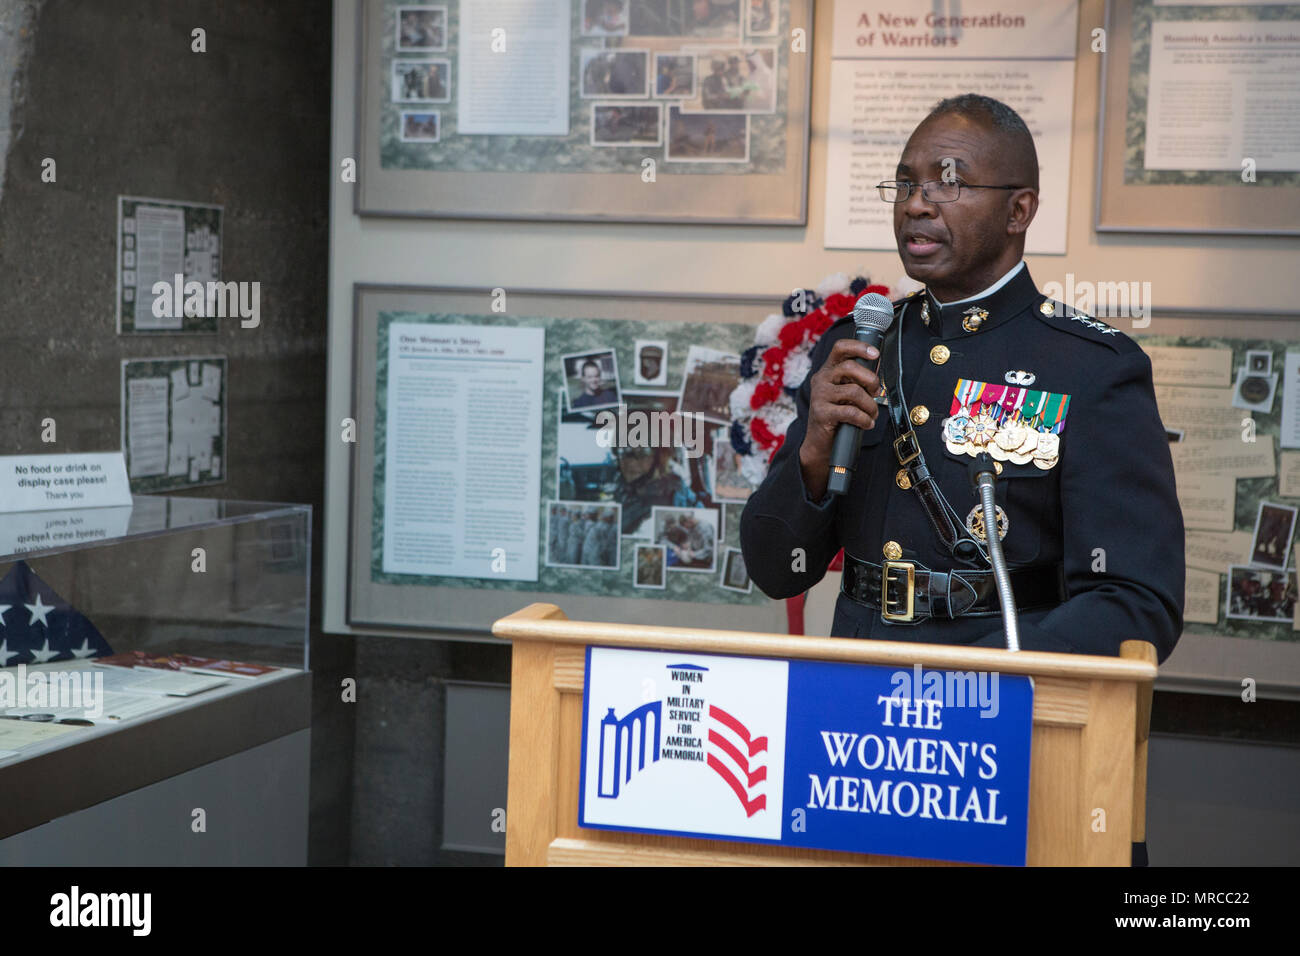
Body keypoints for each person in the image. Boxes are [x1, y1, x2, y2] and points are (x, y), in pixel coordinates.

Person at [740, 93, 1183, 867]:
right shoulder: (859, 346)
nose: (918, 203)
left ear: (1021, 210)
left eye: (948, 181)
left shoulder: (1089, 368)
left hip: (1004, 738)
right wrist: (812, 455)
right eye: (906, 182)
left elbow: (1137, 602)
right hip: (854, 728)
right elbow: (776, 566)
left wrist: (977, 691)